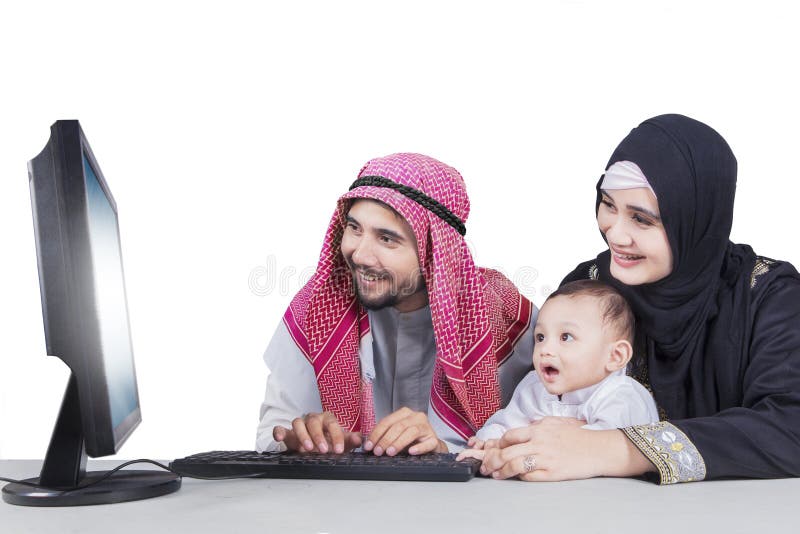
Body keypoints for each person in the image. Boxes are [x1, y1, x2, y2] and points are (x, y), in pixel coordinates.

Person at [479, 114, 800, 484]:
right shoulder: (590, 288)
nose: (616, 234)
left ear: (695, 221)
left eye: (642, 220)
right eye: (608, 205)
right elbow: (539, 403)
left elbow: (791, 425)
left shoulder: (768, 296)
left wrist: (614, 449)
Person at [255, 153, 536, 456]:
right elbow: (272, 433)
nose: (359, 254)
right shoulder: (318, 305)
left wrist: (444, 450)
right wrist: (295, 440)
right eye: (354, 228)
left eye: (387, 239)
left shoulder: (501, 311)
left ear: (435, 251)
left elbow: (551, 434)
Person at [457, 280, 658, 465]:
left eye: (566, 337)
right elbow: (507, 423)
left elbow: (603, 446)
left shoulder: (622, 397)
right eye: (541, 336)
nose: (545, 349)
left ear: (615, 356)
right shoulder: (534, 386)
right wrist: (488, 442)